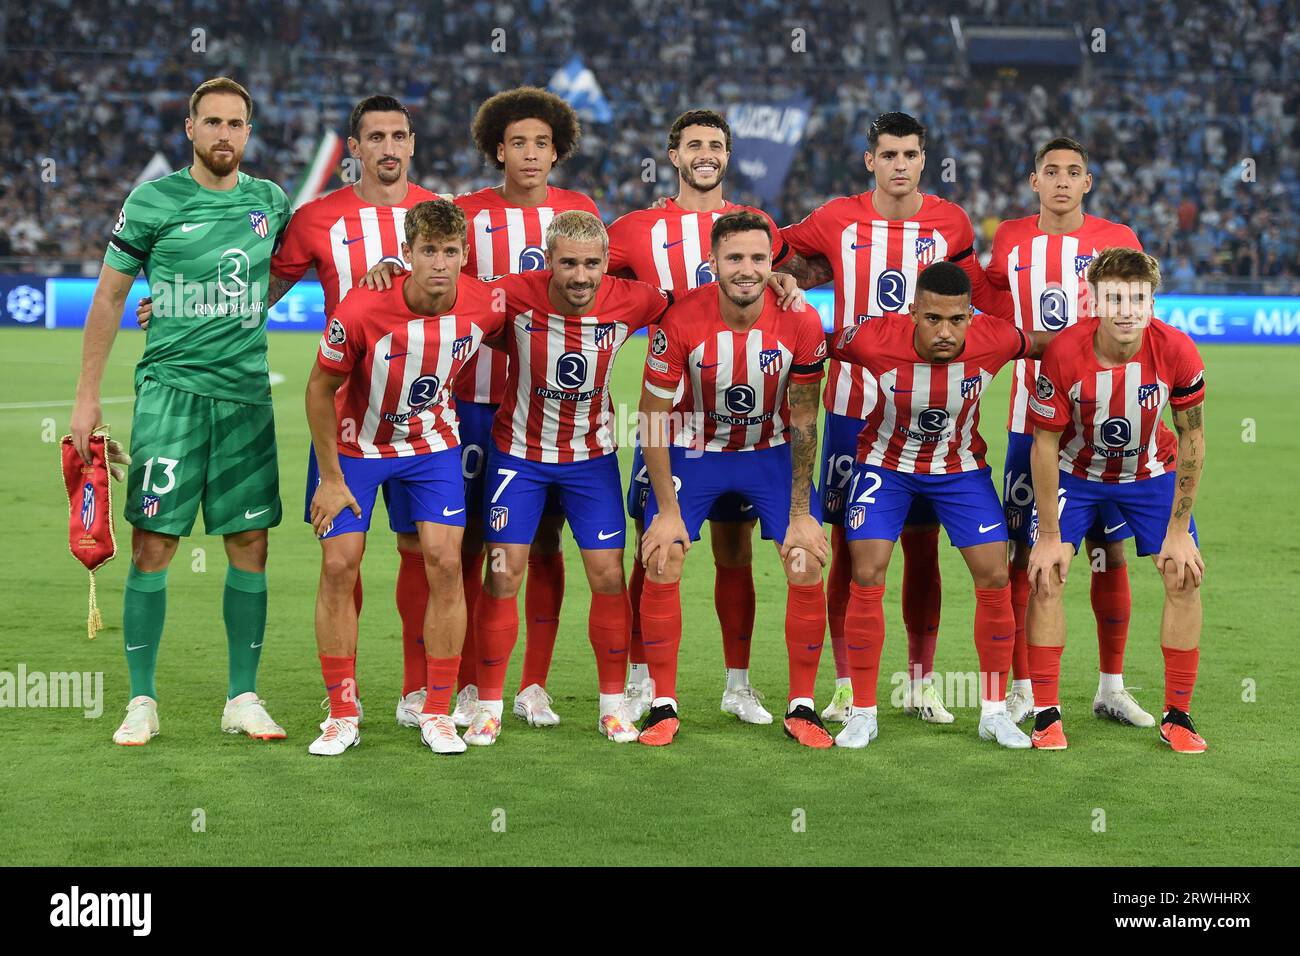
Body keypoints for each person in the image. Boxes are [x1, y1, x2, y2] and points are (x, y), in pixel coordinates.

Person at [136, 94, 448, 729]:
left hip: (426, 421)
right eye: (374, 137)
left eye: (399, 135)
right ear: (353, 149)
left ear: (412, 143)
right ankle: (346, 696)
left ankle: (420, 692)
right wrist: (180, 301)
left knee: (426, 552)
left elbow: (477, 295)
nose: (388, 147)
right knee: (342, 558)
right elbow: (257, 289)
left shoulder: (444, 216)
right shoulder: (313, 219)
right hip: (345, 419)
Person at [70, 77, 291, 745]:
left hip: (246, 396)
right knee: (153, 544)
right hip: (169, 393)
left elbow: (280, 273)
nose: (225, 134)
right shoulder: (152, 201)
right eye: (213, 122)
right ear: (190, 129)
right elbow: (109, 299)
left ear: (249, 133)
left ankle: (243, 697)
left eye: (237, 124)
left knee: (250, 544)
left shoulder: (270, 202)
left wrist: (238, 306)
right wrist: (86, 397)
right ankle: (142, 702)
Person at [779, 111, 1004, 726]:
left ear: (923, 159)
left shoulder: (951, 222)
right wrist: (787, 284)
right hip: (854, 410)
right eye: (889, 154)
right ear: (870, 161)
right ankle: (851, 684)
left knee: (923, 548)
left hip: (934, 413)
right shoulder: (835, 218)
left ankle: (921, 681)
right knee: (851, 551)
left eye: (910, 154)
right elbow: (781, 252)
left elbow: (973, 302)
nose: (900, 164)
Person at [607, 108, 791, 725]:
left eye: (716, 144)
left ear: (728, 155)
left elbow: (777, 276)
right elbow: (590, 286)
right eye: (694, 144)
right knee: (654, 548)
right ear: (674, 155)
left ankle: (738, 687)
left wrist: (788, 281)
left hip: (746, 430)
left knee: (734, 554)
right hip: (671, 425)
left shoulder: (757, 225)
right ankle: (641, 678)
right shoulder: (634, 230)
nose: (705, 153)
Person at [828, 261, 1059, 751]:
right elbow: (818, 343)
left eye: (956, 319)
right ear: (912, 312)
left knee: (996, 574)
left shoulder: (996, 339)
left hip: (958, 470)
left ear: (972, 316)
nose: (945, 331)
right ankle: (863, 713)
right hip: (884, 466)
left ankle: (994, 714)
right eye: (933, 318)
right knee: (866, 572)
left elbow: (1046, 345)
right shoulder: (873, 338)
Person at [304, 199, 503, 756]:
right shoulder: (363, 308)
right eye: (428, 251)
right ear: (407, 254)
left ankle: (436, 711)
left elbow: (533, 306)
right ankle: (343, 713)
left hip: (432, 446)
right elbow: (318, 390)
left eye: (450, 251)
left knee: (444, 563)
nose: (440, 263)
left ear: (464, 254)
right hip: (354, 448)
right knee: (340, 564)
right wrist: (329, 477)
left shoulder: (486, 301)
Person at [637, 211, 830, 748]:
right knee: (664, 552)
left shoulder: (802, 321)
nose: (747, 269)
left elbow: (805, 418)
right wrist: (668, 510)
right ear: (713, 263)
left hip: (768, 455)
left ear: (773, 263)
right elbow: (651, 416)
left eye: (758, 259)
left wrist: (799, 512)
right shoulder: (681, 320)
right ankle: (662, 704)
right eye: (735, 258)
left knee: (805, 557)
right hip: (695, 452)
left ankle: (802, 706)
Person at [986, 136, 1154, 727]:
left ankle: (1110, 686)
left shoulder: (1119, 239)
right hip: (1029, 427)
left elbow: (1139, 321)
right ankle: (1024, 687)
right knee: (1024, 555)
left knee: (1109, 554)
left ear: (1088, 182)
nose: (1061, 180)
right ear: (1034, 181)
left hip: (1104, 429)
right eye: (1050, 171)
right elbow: (988, 301)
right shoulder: (1009, 239)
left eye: (1073, 172)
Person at [450, 87, 602, 729]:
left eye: (542, 142)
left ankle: (533, 684)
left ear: (558, 149)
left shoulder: (580, 210)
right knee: (465, 546)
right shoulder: (464, 213)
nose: (531, 154)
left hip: (551, 415)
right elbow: (436, 278)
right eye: (518, 142)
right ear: (496, 149)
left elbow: (604, 289)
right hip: (472, 402)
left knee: (543, 544)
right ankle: (462, 684)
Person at [1024, 248, 1208, 754]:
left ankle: (1179, 715)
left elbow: (1192, 440)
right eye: (1115, 297)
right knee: (1046, 572)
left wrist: (1178, 530)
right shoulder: (1064, 353)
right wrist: (1048, 535)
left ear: (1151, 302)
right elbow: (1043, 445)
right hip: (1077, 473)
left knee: (1183, 572)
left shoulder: (1177, 351)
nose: (1127, 309)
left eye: (1138, 298)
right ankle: (1046, 714)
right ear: (1094, 300)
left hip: (1149, 473)